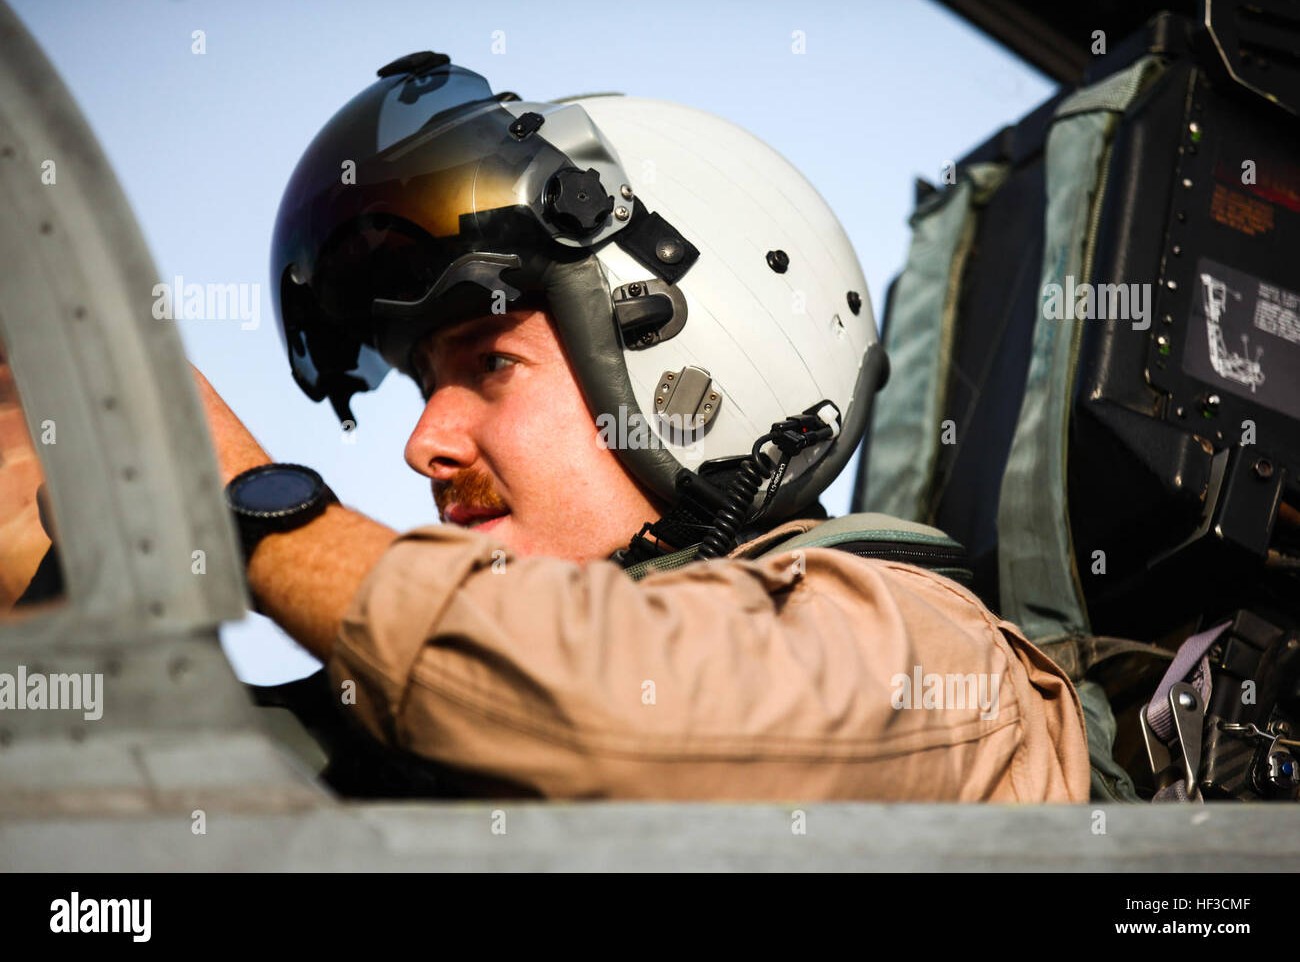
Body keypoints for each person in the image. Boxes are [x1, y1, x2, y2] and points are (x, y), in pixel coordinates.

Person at [28, 50, 1093, 800]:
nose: (423, 445)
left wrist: (244, 506)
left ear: (696, 369)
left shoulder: (922, 652)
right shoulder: (448, 734)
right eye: (418, 387)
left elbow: (631, 711)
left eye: (490, 365)